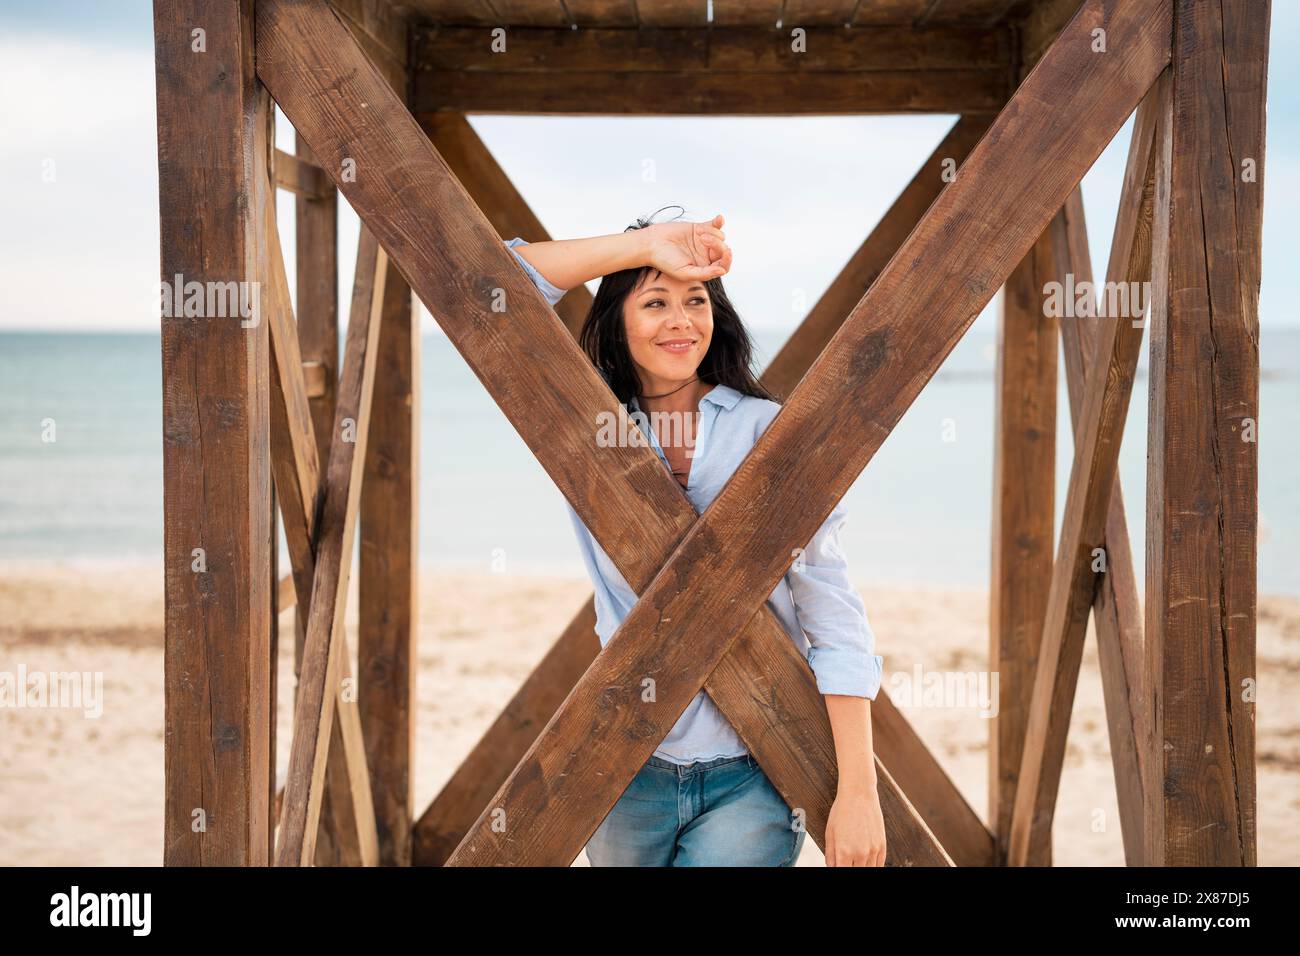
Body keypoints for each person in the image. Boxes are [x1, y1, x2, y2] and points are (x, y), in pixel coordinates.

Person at [503, 206, 886, 867]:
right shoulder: (585, 427)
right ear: (618, 323)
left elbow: (831, 607)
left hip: (755, 769)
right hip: (622, 766)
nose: (682, 320)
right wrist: (642, 244)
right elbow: (501, 285)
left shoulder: (768, 432)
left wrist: (859, 787)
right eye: (655, 301)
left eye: (696, 300)